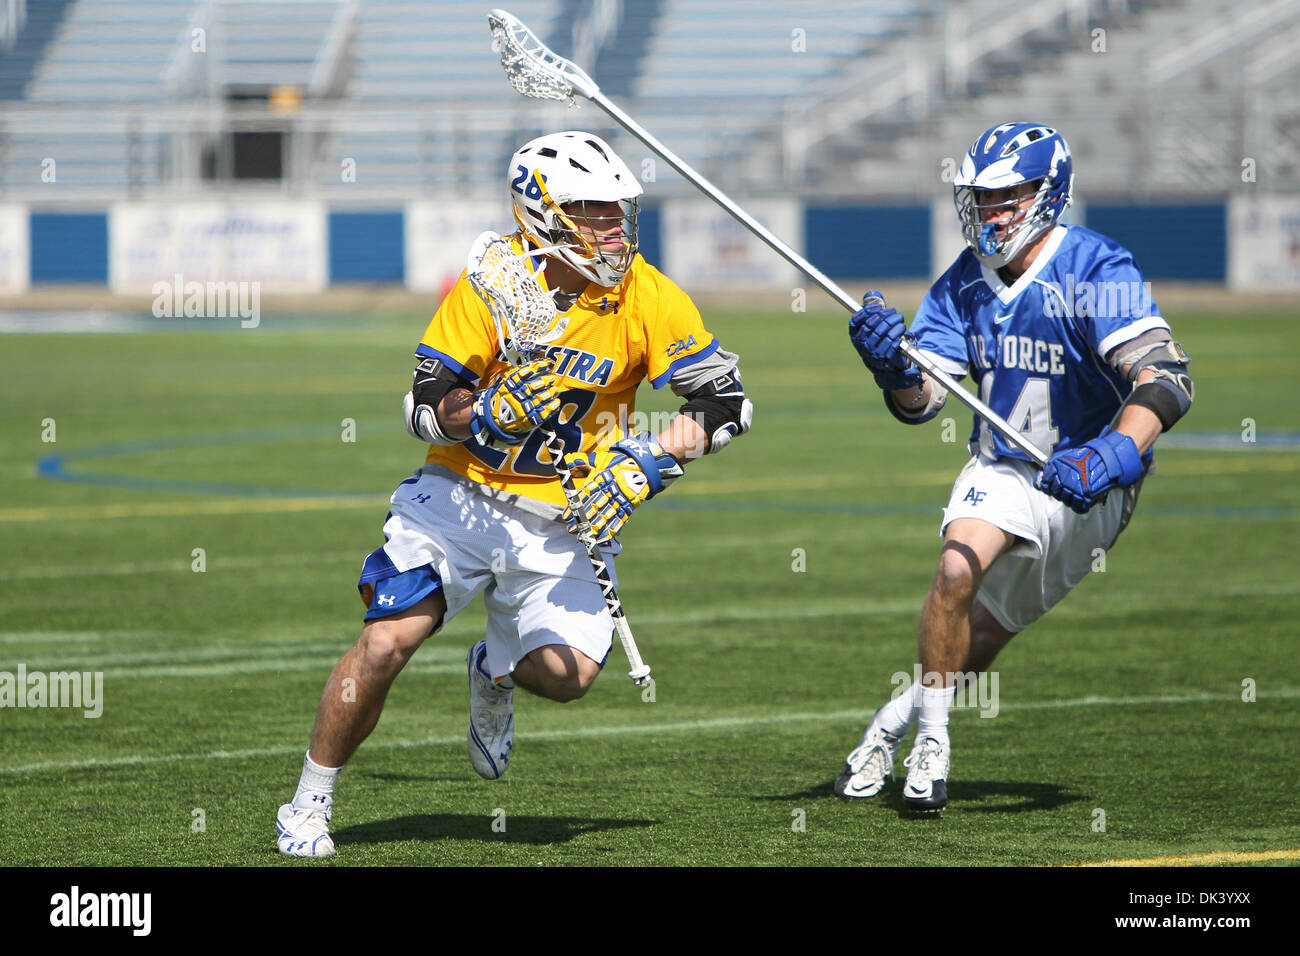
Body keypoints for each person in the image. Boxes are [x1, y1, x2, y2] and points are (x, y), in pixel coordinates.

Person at [275, 130, 753, 856]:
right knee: (385, 642)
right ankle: (308, 802)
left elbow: (724, 404)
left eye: (617, 210)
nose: (612, 227)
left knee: (568, 678)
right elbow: (423, 406)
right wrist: (485, 414)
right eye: (591, 211)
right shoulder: (496, 281)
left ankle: (492, 667)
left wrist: (646, 464)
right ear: (542, 211)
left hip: (565, 516)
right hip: (461, 495)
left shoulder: (644, 294)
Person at [834, 122, 1194, 810]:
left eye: (1008, 196)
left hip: (1090, 486)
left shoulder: (1096, 268)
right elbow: (922, 402)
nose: (991, 212)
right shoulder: (963, 284)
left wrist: (1112, 455)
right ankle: (933, 746)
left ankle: (891, 725)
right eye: (982, 197)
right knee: (956, 569)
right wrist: (890, 366)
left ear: (1047, 194)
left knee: (987, 630)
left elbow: (1167, 380)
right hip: (1001, 467)